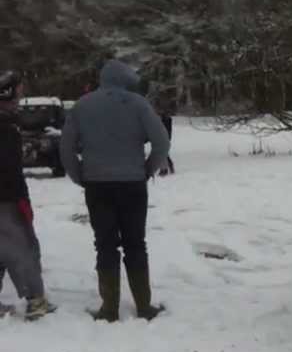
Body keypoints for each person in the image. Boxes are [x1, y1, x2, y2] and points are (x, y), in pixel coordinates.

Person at [60, 60, 171, 322]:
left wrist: (80, 176)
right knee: (136, 244)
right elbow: (162, 142)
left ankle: (109, 309)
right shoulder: (138, 104)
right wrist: (146, 170)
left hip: (97, 185)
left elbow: (65, 148)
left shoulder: (82, 105)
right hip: (132, 185)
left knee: (105, 245)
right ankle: (144, 306)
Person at [0, 70, 56, 320]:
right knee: (23, 248)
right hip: (7, 198)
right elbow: (9, 168)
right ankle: (36, 300)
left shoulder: (9, 121)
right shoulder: (6, 126)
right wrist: (22, 199)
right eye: (19, 91)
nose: (21, 96)